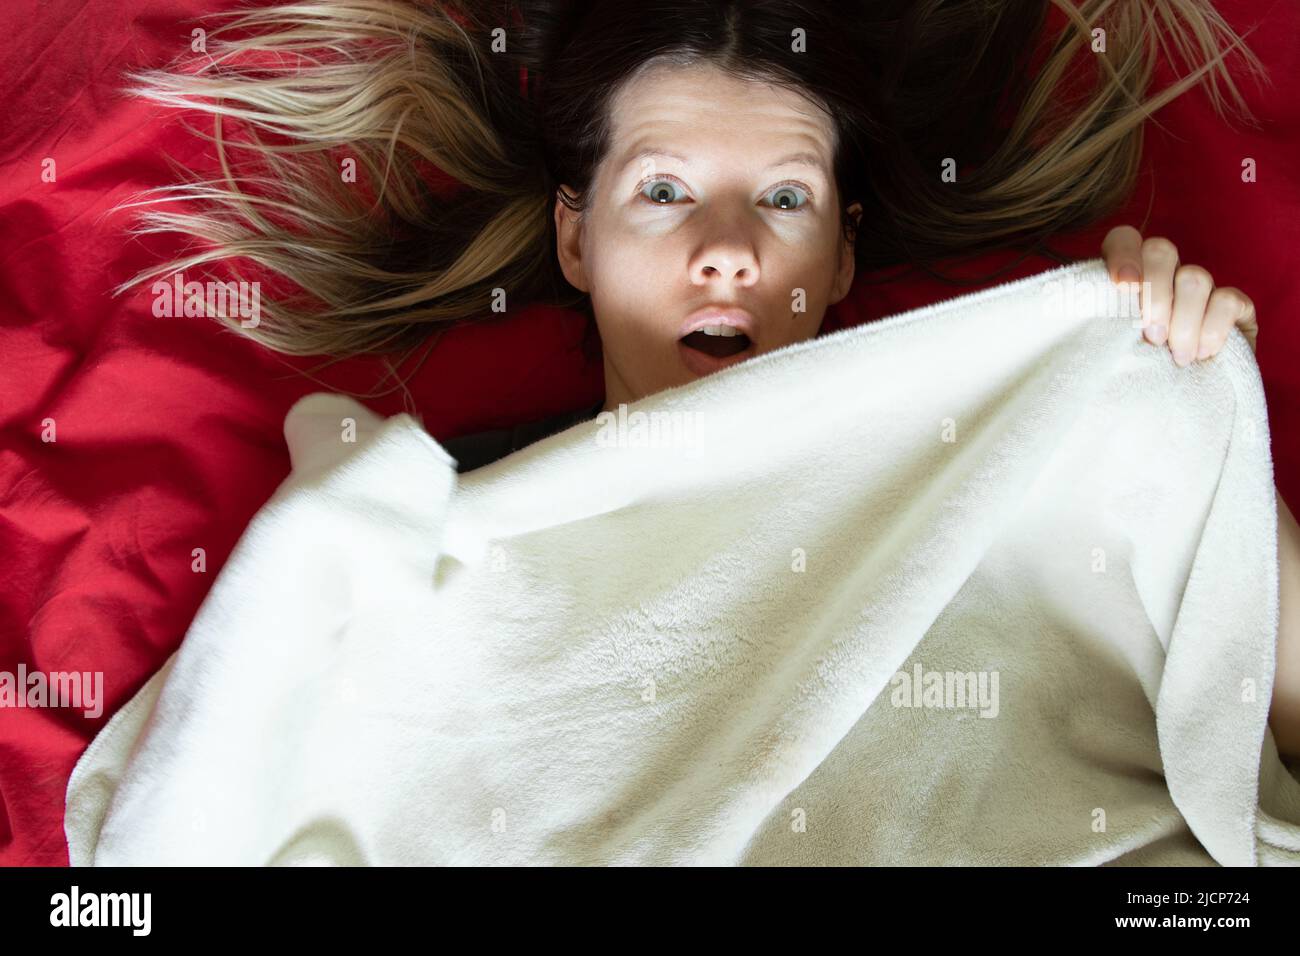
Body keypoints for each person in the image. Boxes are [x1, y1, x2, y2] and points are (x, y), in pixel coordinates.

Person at [111, 1, 1298, 755]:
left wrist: (1190, 416)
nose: (725, 245)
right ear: (577, 239)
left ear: (840, 255)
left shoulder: (1001, 450)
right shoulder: (437, 514)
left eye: (782, 198)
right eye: (665, 192)